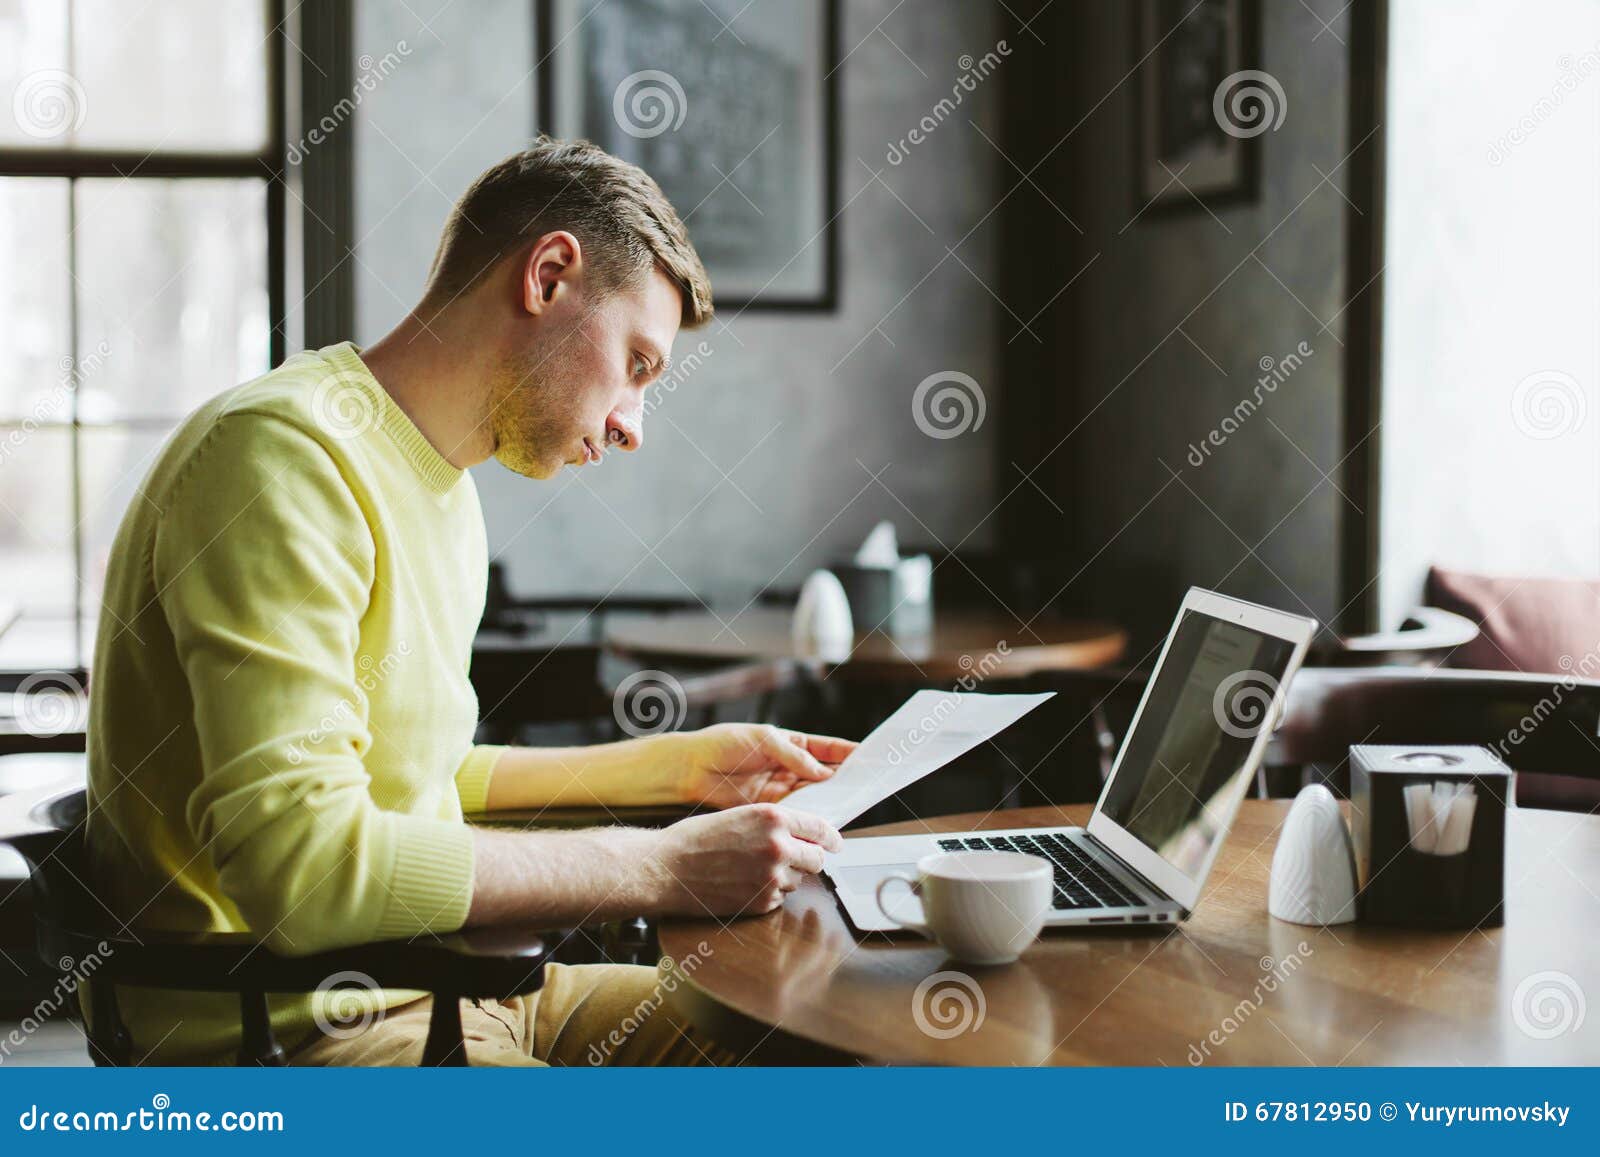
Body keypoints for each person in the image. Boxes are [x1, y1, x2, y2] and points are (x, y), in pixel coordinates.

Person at [85, 137, 855, 1066]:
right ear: (549, 276)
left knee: (811, 1031)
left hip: (453, 988)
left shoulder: (448, 492)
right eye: (638, 365)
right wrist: (662, 866)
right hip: (291, 1027)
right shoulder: (280, 461)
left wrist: (678, 771)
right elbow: (303, 866)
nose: (631, 426)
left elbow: (421, 777)